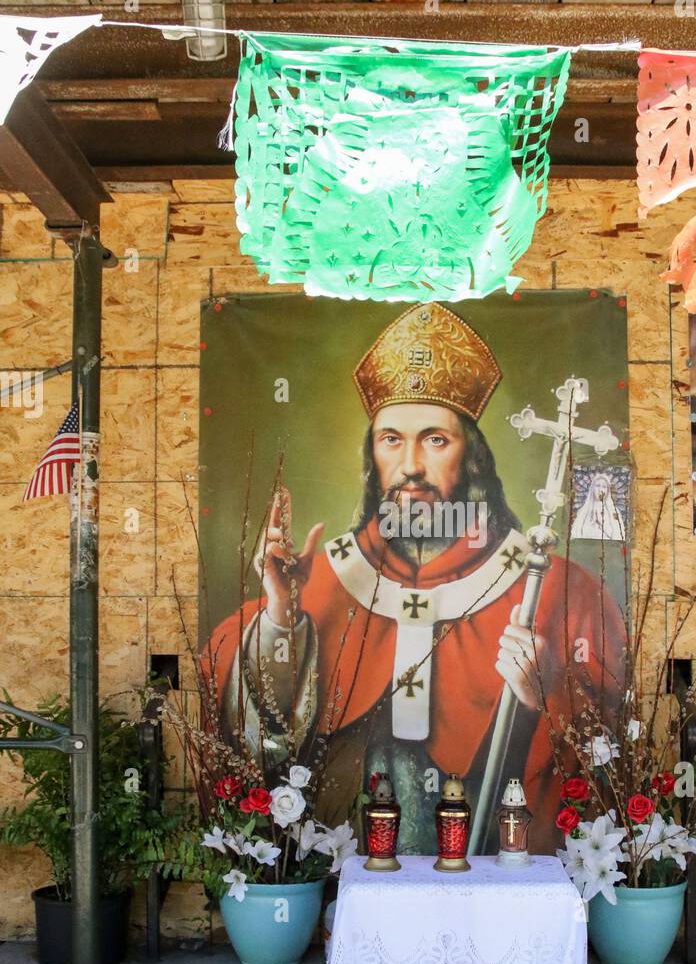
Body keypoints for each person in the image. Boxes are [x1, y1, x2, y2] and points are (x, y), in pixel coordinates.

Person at [206, 301, 624, 853]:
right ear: (372, 458)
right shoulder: (329, 575)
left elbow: (604, 750)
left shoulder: (557, 591)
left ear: (472, 459)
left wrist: (540, 699)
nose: (410, 466)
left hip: (488, 867)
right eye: (391, 440)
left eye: (435, 439)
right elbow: (238, 705)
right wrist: (281, 618)